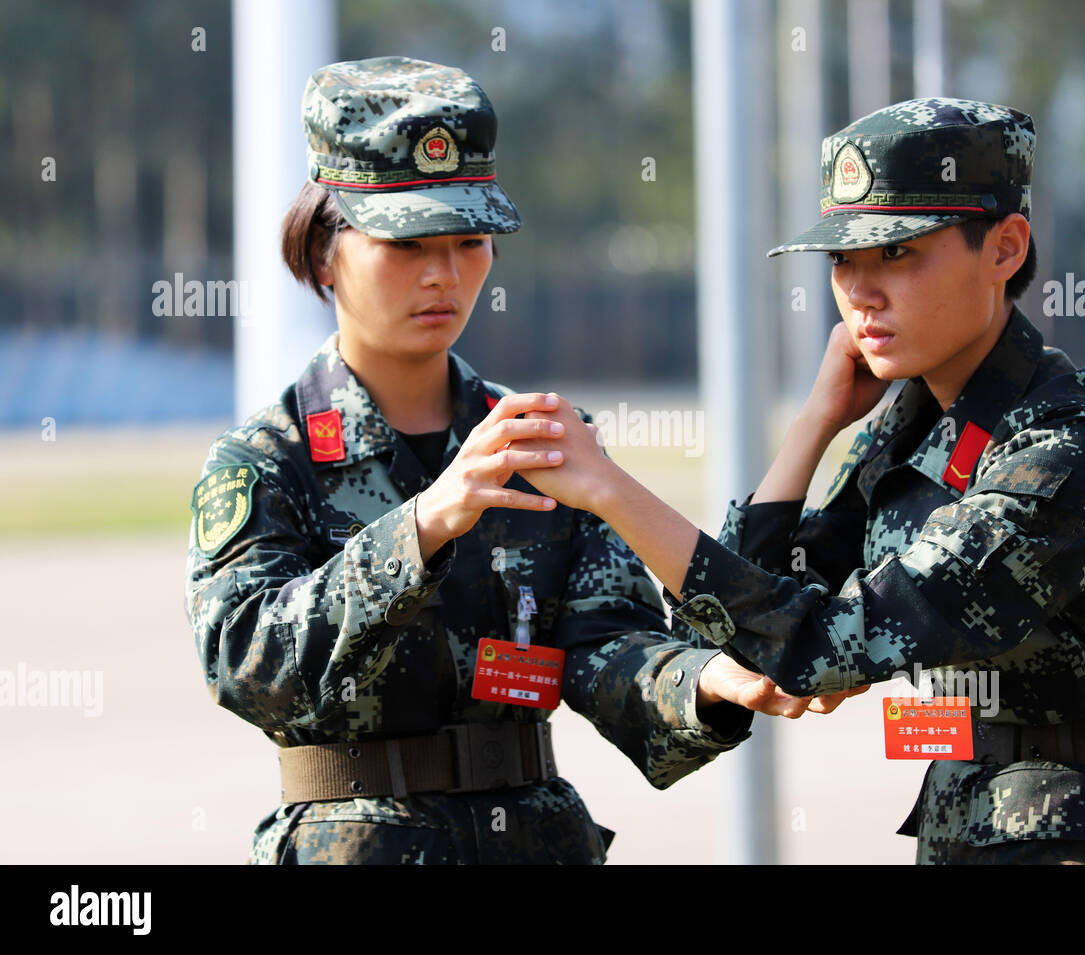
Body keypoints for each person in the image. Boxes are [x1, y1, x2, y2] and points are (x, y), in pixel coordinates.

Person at [513, 98, 1085, 865]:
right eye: (843, 260)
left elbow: (815, 644)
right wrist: (813, 426)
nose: (860, 291)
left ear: (1006, 249)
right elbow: (733, 628)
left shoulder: (1069, 449)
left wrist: (612, 491)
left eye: (900, 253)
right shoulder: (915, 422)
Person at [184, 56, 836, 866]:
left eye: (469, 241)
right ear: (325, 253)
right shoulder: (266, 460)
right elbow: (246, 662)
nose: (445, 274)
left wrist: (704, 683)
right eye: (407, 242)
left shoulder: (535, 443)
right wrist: (422, 525)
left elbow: (606, 645)